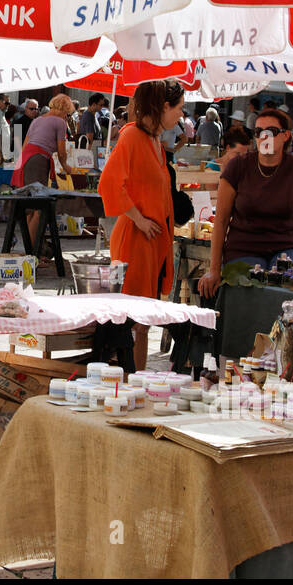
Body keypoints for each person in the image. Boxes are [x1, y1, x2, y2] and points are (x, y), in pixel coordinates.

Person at [99, 79, 185, 370]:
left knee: (143, 320)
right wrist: (139, 219)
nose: (181, 116)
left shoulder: (154, 142)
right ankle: (125, 379)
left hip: (152, 239)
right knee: (131, 318)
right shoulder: (133, 137)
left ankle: (138, 378)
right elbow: (109, 183)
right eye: (179, 109)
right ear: (163, 107)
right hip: (135, 237)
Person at [200, 108, 293, 298]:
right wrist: (214, 269)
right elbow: (222, 220)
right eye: (258, 132)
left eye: (271, 132)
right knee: (248, 291)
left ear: (285, 136)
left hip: (286, 247)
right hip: (243, 248)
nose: (264, 137)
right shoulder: (238, 167)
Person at [11, 93, 74, 252]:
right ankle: (33, 252)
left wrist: (20, 165)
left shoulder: (37, 120)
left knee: (29, 209)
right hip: (39, 160)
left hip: (26, 159)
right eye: (67, 113)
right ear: (63, 110)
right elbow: (61, 151)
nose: (67, 116)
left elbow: (25, 144)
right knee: (39, 209)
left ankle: (31, 249)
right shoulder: (60, 122)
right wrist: (66, 166)